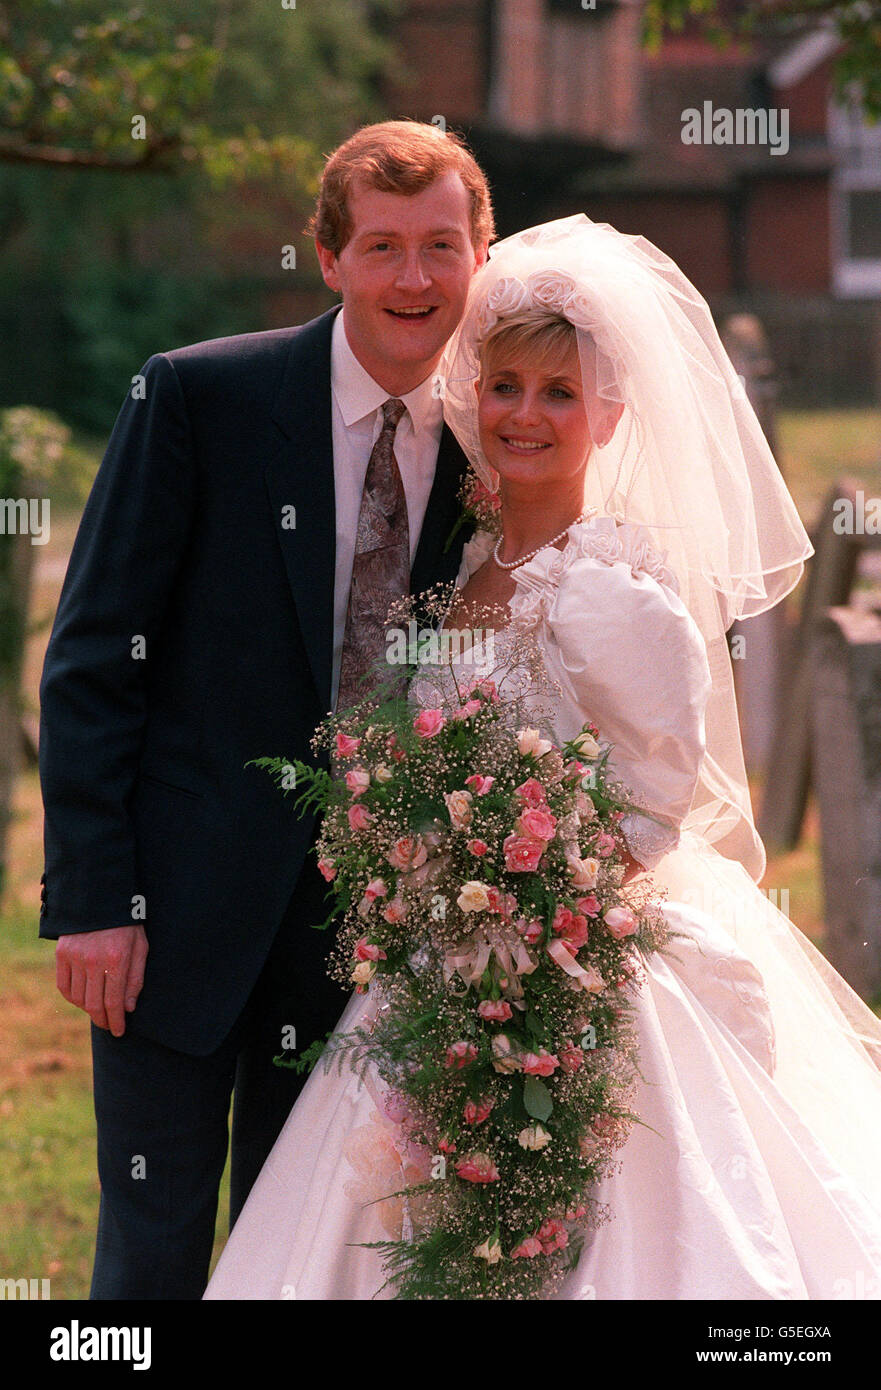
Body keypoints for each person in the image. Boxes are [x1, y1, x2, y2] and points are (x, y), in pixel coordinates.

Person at [204, 215, 881, 1300]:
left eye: (558, 394)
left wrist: (530, 912)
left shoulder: (612, 596)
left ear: (607, 414)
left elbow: (658, 803)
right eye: (506, 385)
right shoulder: (463, 564)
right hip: (435, 968)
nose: (523, 414)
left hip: (573, 972)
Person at [37, 119, 492, 1300]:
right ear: (328, 257)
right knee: (150, 1258)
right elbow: (93, 658)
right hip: (169, 924)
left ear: (478, 255)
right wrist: (94, 900)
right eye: (382, 246)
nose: (412, 279)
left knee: (306, 1263)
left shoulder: (503, 445)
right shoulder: (199, 397)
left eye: (440, 246)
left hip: (369, 947)